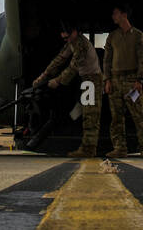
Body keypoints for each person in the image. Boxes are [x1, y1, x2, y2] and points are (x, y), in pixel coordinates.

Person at [33, 23, 103, 158]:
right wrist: (43, 76)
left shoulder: (80, 44)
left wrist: (57, 81)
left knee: (90, 115)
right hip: (85, 80)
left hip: (91, 80)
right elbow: (60, 59)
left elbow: (73, 67)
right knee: (81, 112)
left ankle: (88, 149)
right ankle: (87, 147)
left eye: (67, 34)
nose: (65, 38)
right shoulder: (72, 42)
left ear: (75, 32)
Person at [102, 5, 143, 159]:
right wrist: (107, 80)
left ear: (124, 15)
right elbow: (107, 60)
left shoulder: (138, 36)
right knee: (116, 117)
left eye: (115, 13)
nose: (113, 16)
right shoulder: (112, 36)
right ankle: (119, 148)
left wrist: (140, 80)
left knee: (138, 115)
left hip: (132, 81)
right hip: (115, 81)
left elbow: (142, 59)